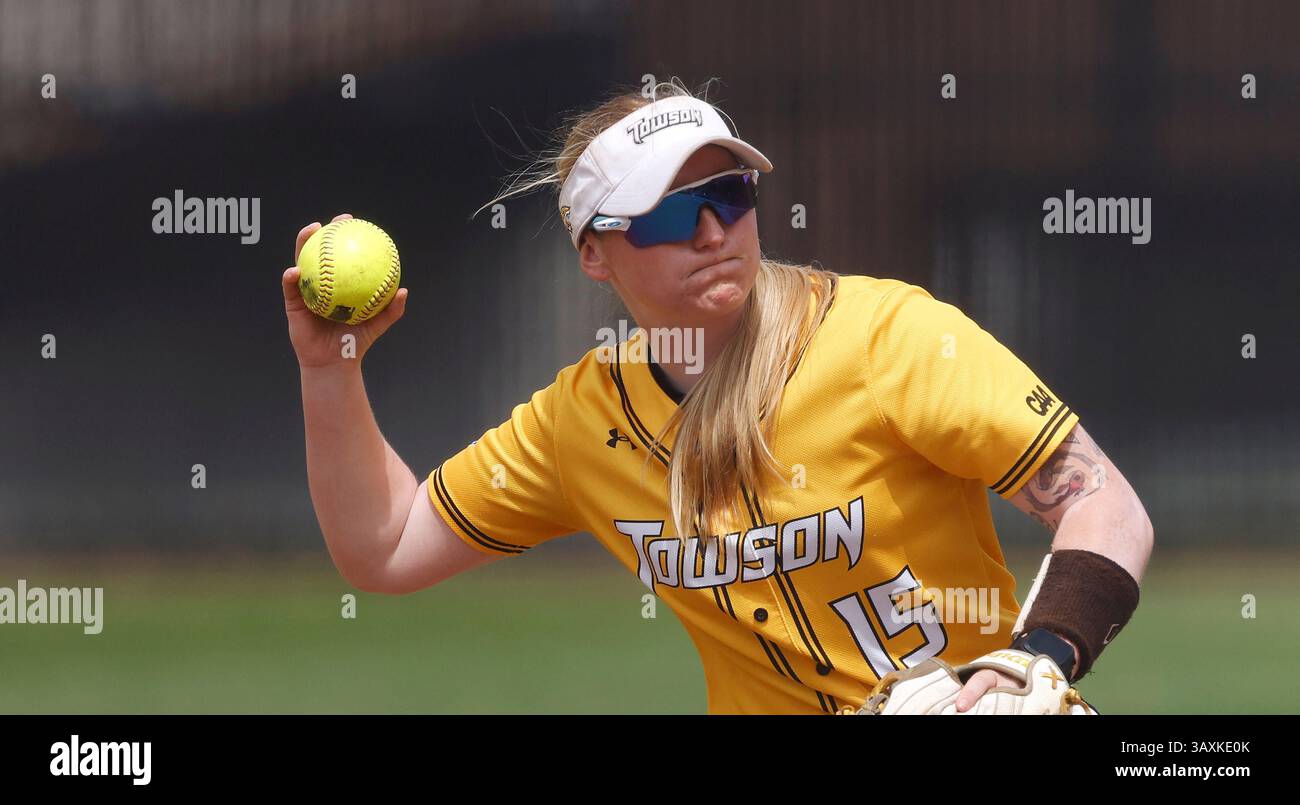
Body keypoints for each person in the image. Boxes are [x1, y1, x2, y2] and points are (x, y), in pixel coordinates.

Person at [281, 81, 1153, 715]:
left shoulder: (891, 338)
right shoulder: (581, 421)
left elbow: (1107, 505)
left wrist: (1032, 659)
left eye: (730, 195)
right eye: (667, 212)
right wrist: (331, 372)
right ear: (595, 252)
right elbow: (384, 547)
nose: (711, 231)